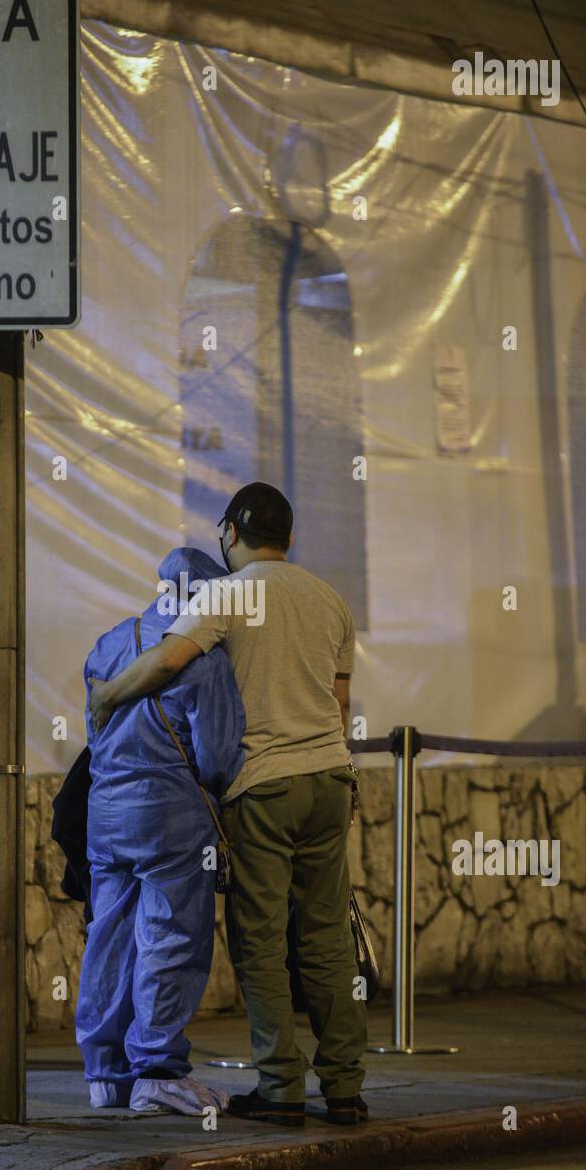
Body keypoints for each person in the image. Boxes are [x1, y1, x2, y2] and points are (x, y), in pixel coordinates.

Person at [89, 483, 368, 1129]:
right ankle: (345, 1088)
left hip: (264, 787)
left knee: (261, 941)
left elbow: (167, 660)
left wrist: (108, 700)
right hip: (329, 778)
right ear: (288, 537)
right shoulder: (329, 600)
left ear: (229, 535)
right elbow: (340, 704)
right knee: (326, 938)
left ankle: (281, 1087)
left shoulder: (227, 593)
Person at [77, 547, 245, 1115]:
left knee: (108, 939)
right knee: (170, 938)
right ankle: (156, 1071)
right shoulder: (206, 659)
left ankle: (105, 1076)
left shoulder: (108, 642)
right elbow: (218, 757)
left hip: (104, 814)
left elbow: (94, 729)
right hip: (170, 816)